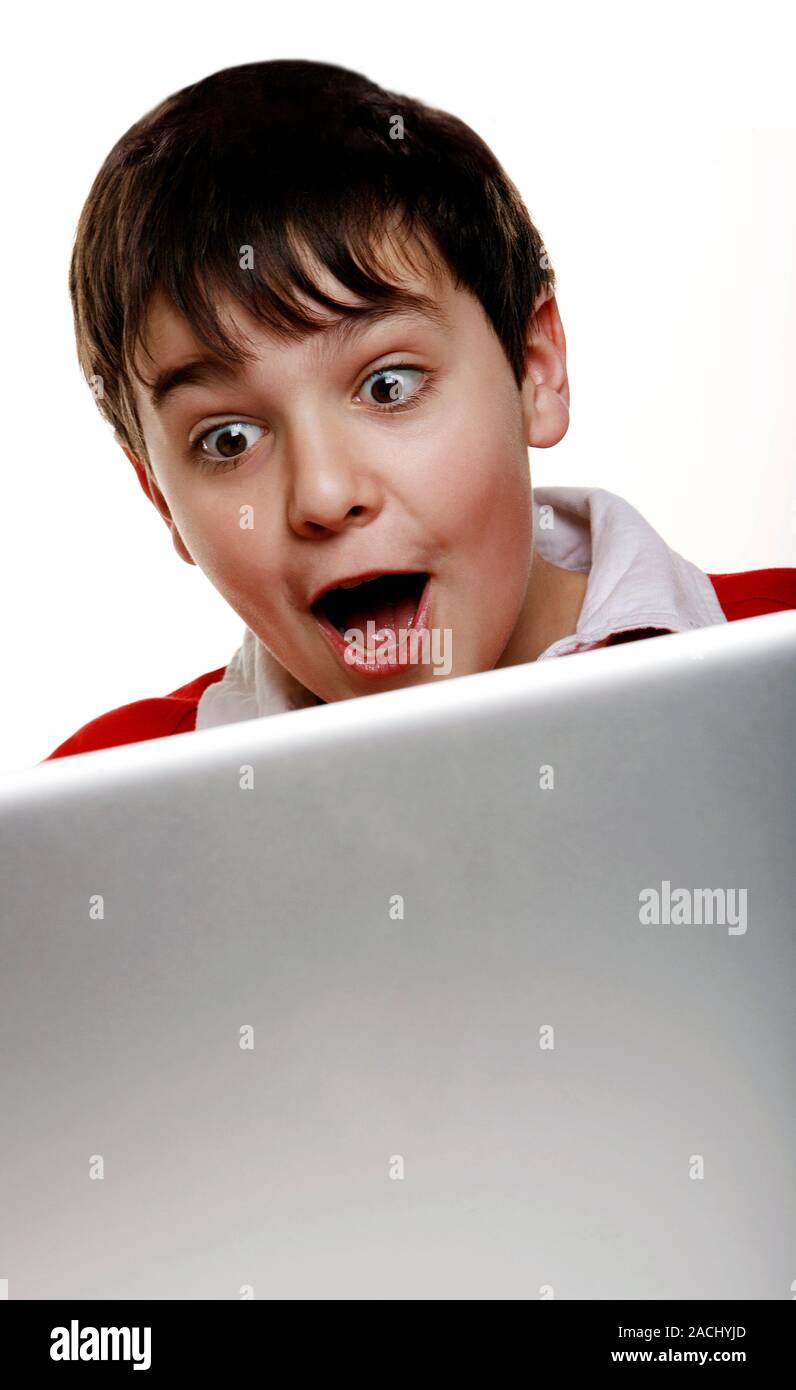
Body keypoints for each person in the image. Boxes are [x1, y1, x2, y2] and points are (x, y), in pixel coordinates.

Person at [43, 60, 795, 762]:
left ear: (534, 369)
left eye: (389, 387)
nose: (325, 496)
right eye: (229, 438)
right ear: (161, 500)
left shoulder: (778, 650)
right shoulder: (77, 819)